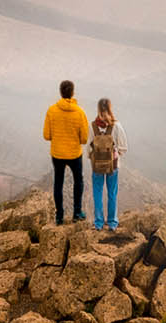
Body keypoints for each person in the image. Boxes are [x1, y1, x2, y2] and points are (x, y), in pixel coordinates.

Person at [42, 79, 90, 221]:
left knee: (58, 183)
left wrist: (58, 137)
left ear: (60, 92)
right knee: (78, 182)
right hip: (75, 154)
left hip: (57, 154)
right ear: (72, 93)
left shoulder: (51, 110)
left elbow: (46, 135)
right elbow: (84, 139)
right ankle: (77, 213)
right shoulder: (80, 113)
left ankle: (59, 216)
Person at [86, 96, 121, 226]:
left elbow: (88, 149)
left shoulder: (92, 126)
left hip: (97, 166)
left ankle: (99, 222)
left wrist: (95, 157)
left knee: (97, 193)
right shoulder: (116, 126)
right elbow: (123, 147)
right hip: (113, 165)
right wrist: (115, 154)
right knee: (112, 193)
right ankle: (112, 222)